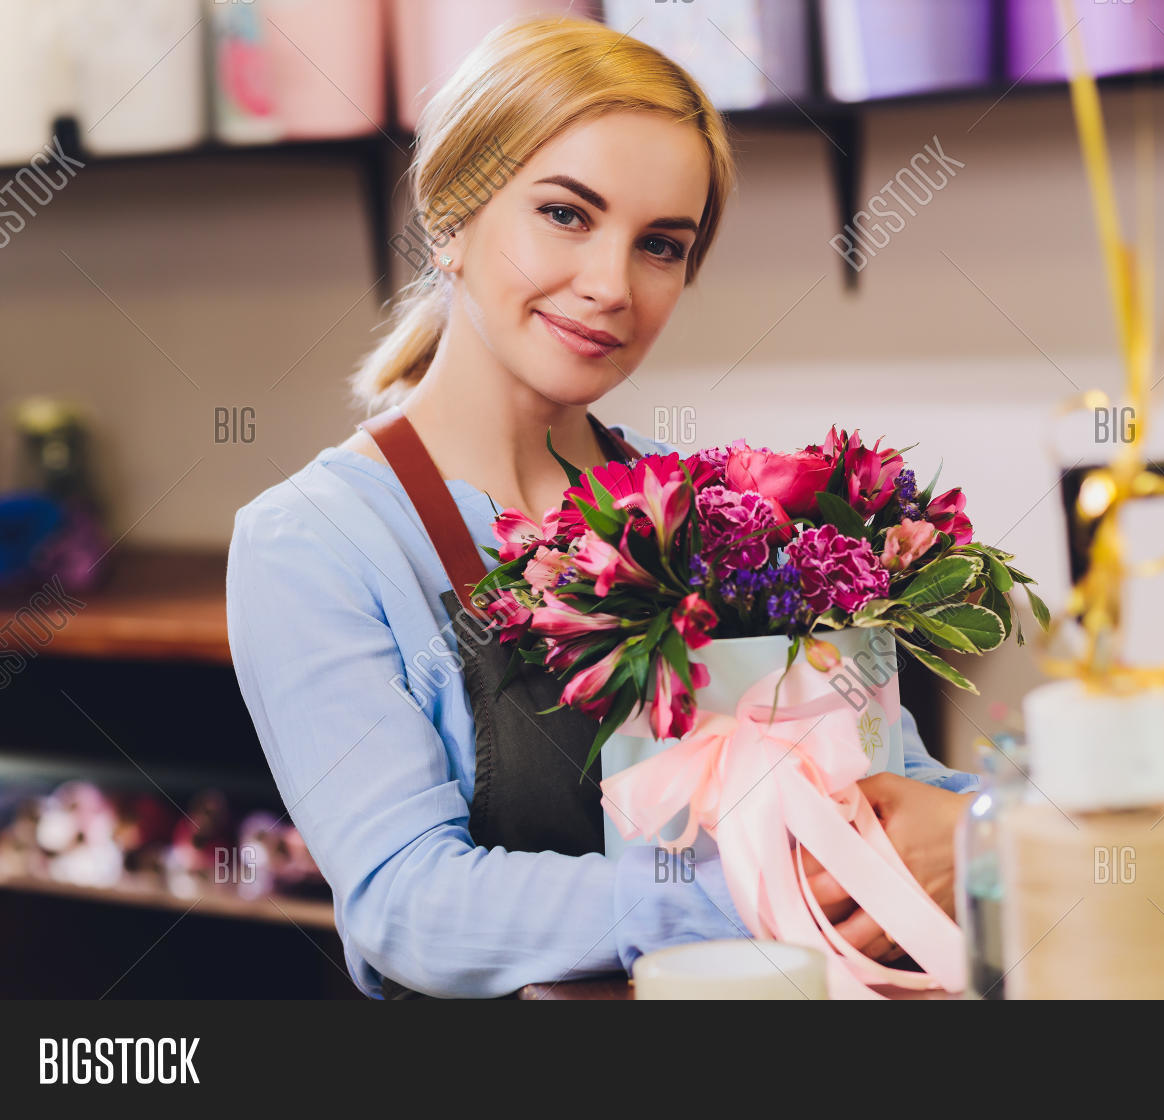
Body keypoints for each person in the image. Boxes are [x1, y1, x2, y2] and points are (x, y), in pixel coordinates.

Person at [226, 16, 977, 1000]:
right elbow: (408, 904)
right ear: (451, 218)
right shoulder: (316, 544)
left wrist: (971, 828)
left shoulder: (729, 511)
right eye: (567, 215)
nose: (610, 286)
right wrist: (754, 892)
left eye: (660, 245)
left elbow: (897, 776)